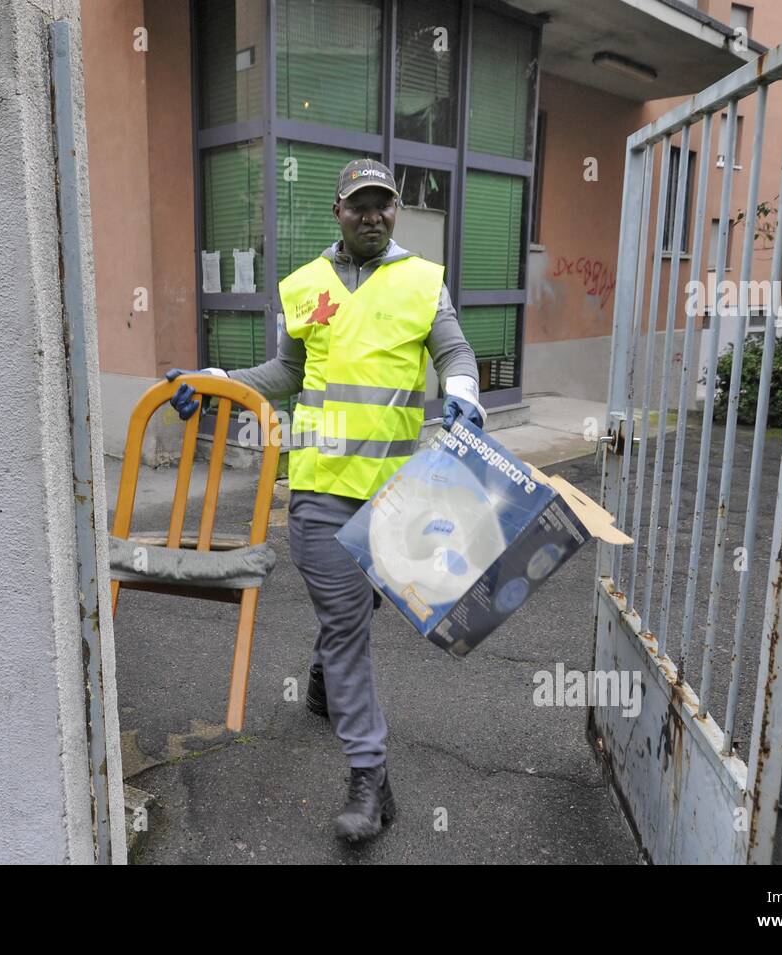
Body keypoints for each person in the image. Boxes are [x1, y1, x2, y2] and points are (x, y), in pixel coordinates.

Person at [165, 158, 485, 843]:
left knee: (354, 613)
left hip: (395, 494)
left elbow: (456, 354)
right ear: (338, 211)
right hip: (317, 489)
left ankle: (322, 683)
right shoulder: (306, 284)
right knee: (346, 619)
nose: (373, 215)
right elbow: (285, 369)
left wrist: (463, 399)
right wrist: (214, 377)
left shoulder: (423, 282)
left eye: (384, 204)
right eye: (360, 204)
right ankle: (369, 776)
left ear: (395, 211)